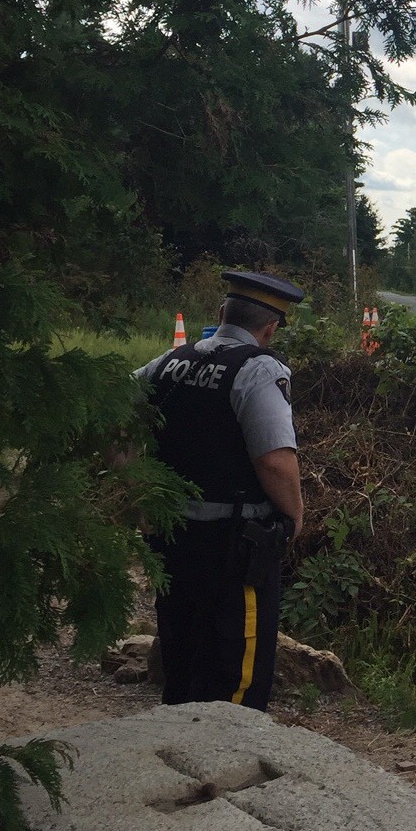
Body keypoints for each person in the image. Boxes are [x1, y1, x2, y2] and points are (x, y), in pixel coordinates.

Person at [133, 270, 306, 709]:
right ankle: (228, 766)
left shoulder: (169, 363)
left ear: (219, 313)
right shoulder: (260, 369)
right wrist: (295, 517)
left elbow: (111, 416)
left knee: (182, 658)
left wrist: (137, 488)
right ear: (270, 328)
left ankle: (177, 764)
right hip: (234, 553)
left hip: (172, 539)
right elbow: (274, 460)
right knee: (236, 677)